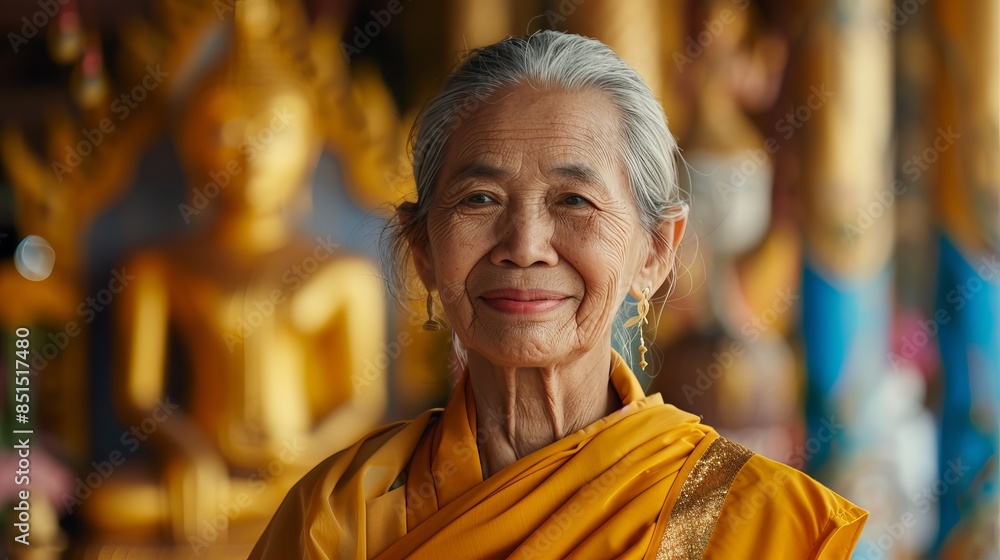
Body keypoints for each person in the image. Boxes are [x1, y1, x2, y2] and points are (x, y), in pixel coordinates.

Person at [249, 30, 867, 559]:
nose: (525, 244)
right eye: (480, 199)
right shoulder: (340, 517)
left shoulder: (748, 520)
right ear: (425, 251)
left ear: (655, 250)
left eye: (574, 201)